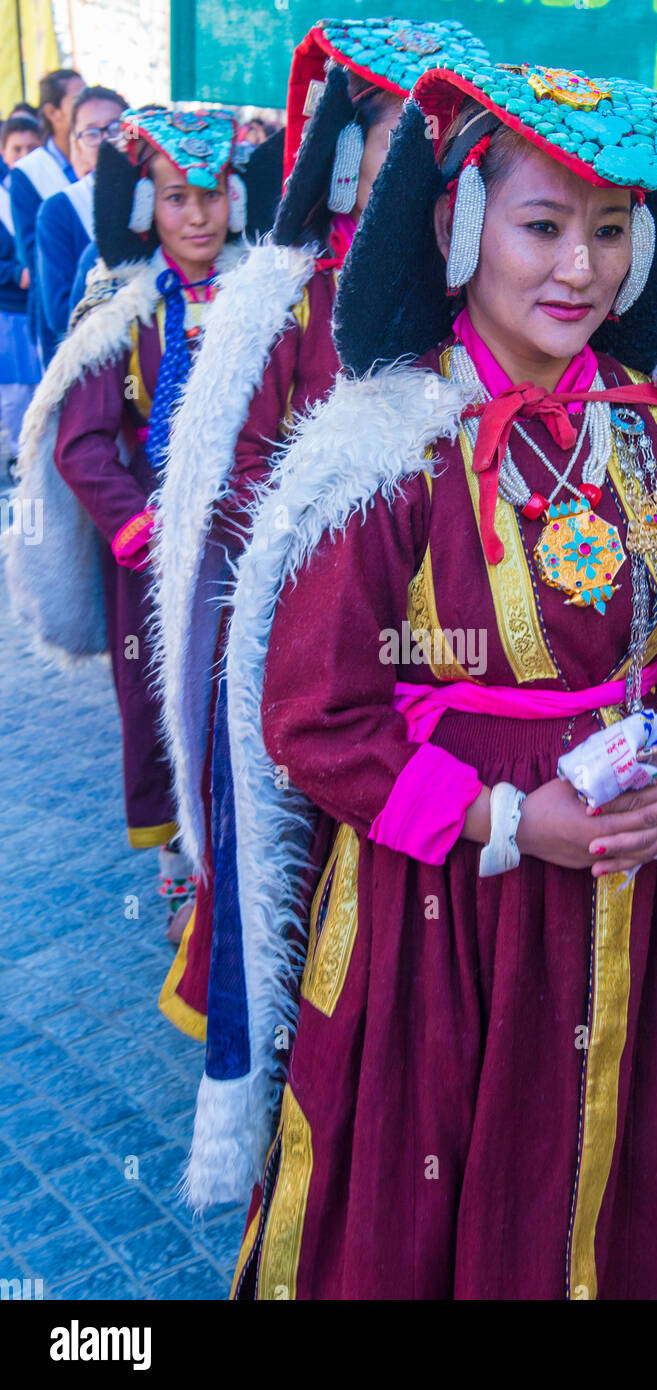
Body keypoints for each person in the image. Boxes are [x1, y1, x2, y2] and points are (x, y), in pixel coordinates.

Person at [205, 59, 657, 1298]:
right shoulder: (391, 449)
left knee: (625, 1189)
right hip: (450, 923)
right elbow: (317, 714)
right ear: (463, 228)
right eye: (540, 228)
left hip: (641, 888)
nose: (574, 271)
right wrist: (504, 819)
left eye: (604, 231)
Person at [153, 19, 488, 1027]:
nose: (439, 151)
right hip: (318, 666)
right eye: (410, 128)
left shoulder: (485, 290)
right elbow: (237, 490)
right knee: (307, 903)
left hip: (455, 669)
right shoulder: (290, 302)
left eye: (457, 131)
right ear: (350, 152)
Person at [5, 107, 279, 925]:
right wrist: (147, 530)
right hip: (156, 569)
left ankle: (254, 874)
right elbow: (83, 445)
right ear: (143, 208)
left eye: (208, 194)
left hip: (251, 551)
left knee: (254, 710)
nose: (195, 215)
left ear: (232, 195)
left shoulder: (270, 300)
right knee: (166, 711)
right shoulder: (119, 310)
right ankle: (185, 876)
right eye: (173, 198)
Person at [36, 85, 127, 362]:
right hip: (96, 358)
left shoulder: (157, 196)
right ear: (76, 144)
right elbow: (60, 311)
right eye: (91, 133)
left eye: (115, 127)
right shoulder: (59, 210)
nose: (105, 140)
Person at [9, 70, 84, 359]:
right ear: (52, 112)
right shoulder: (29, 172)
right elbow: (31, 253)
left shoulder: (97, 157)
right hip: (57, 308)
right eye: (77, 99)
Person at [0, 115, 42, 472]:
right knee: (15, 389)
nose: (25, 154)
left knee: (43, 382)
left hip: (39, 306)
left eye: (32, 148)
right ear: (4, 152)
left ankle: (38, 447)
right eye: (17, 148)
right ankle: (18, 451)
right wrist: (16, 272)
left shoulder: (47, 190)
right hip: (9, 308)